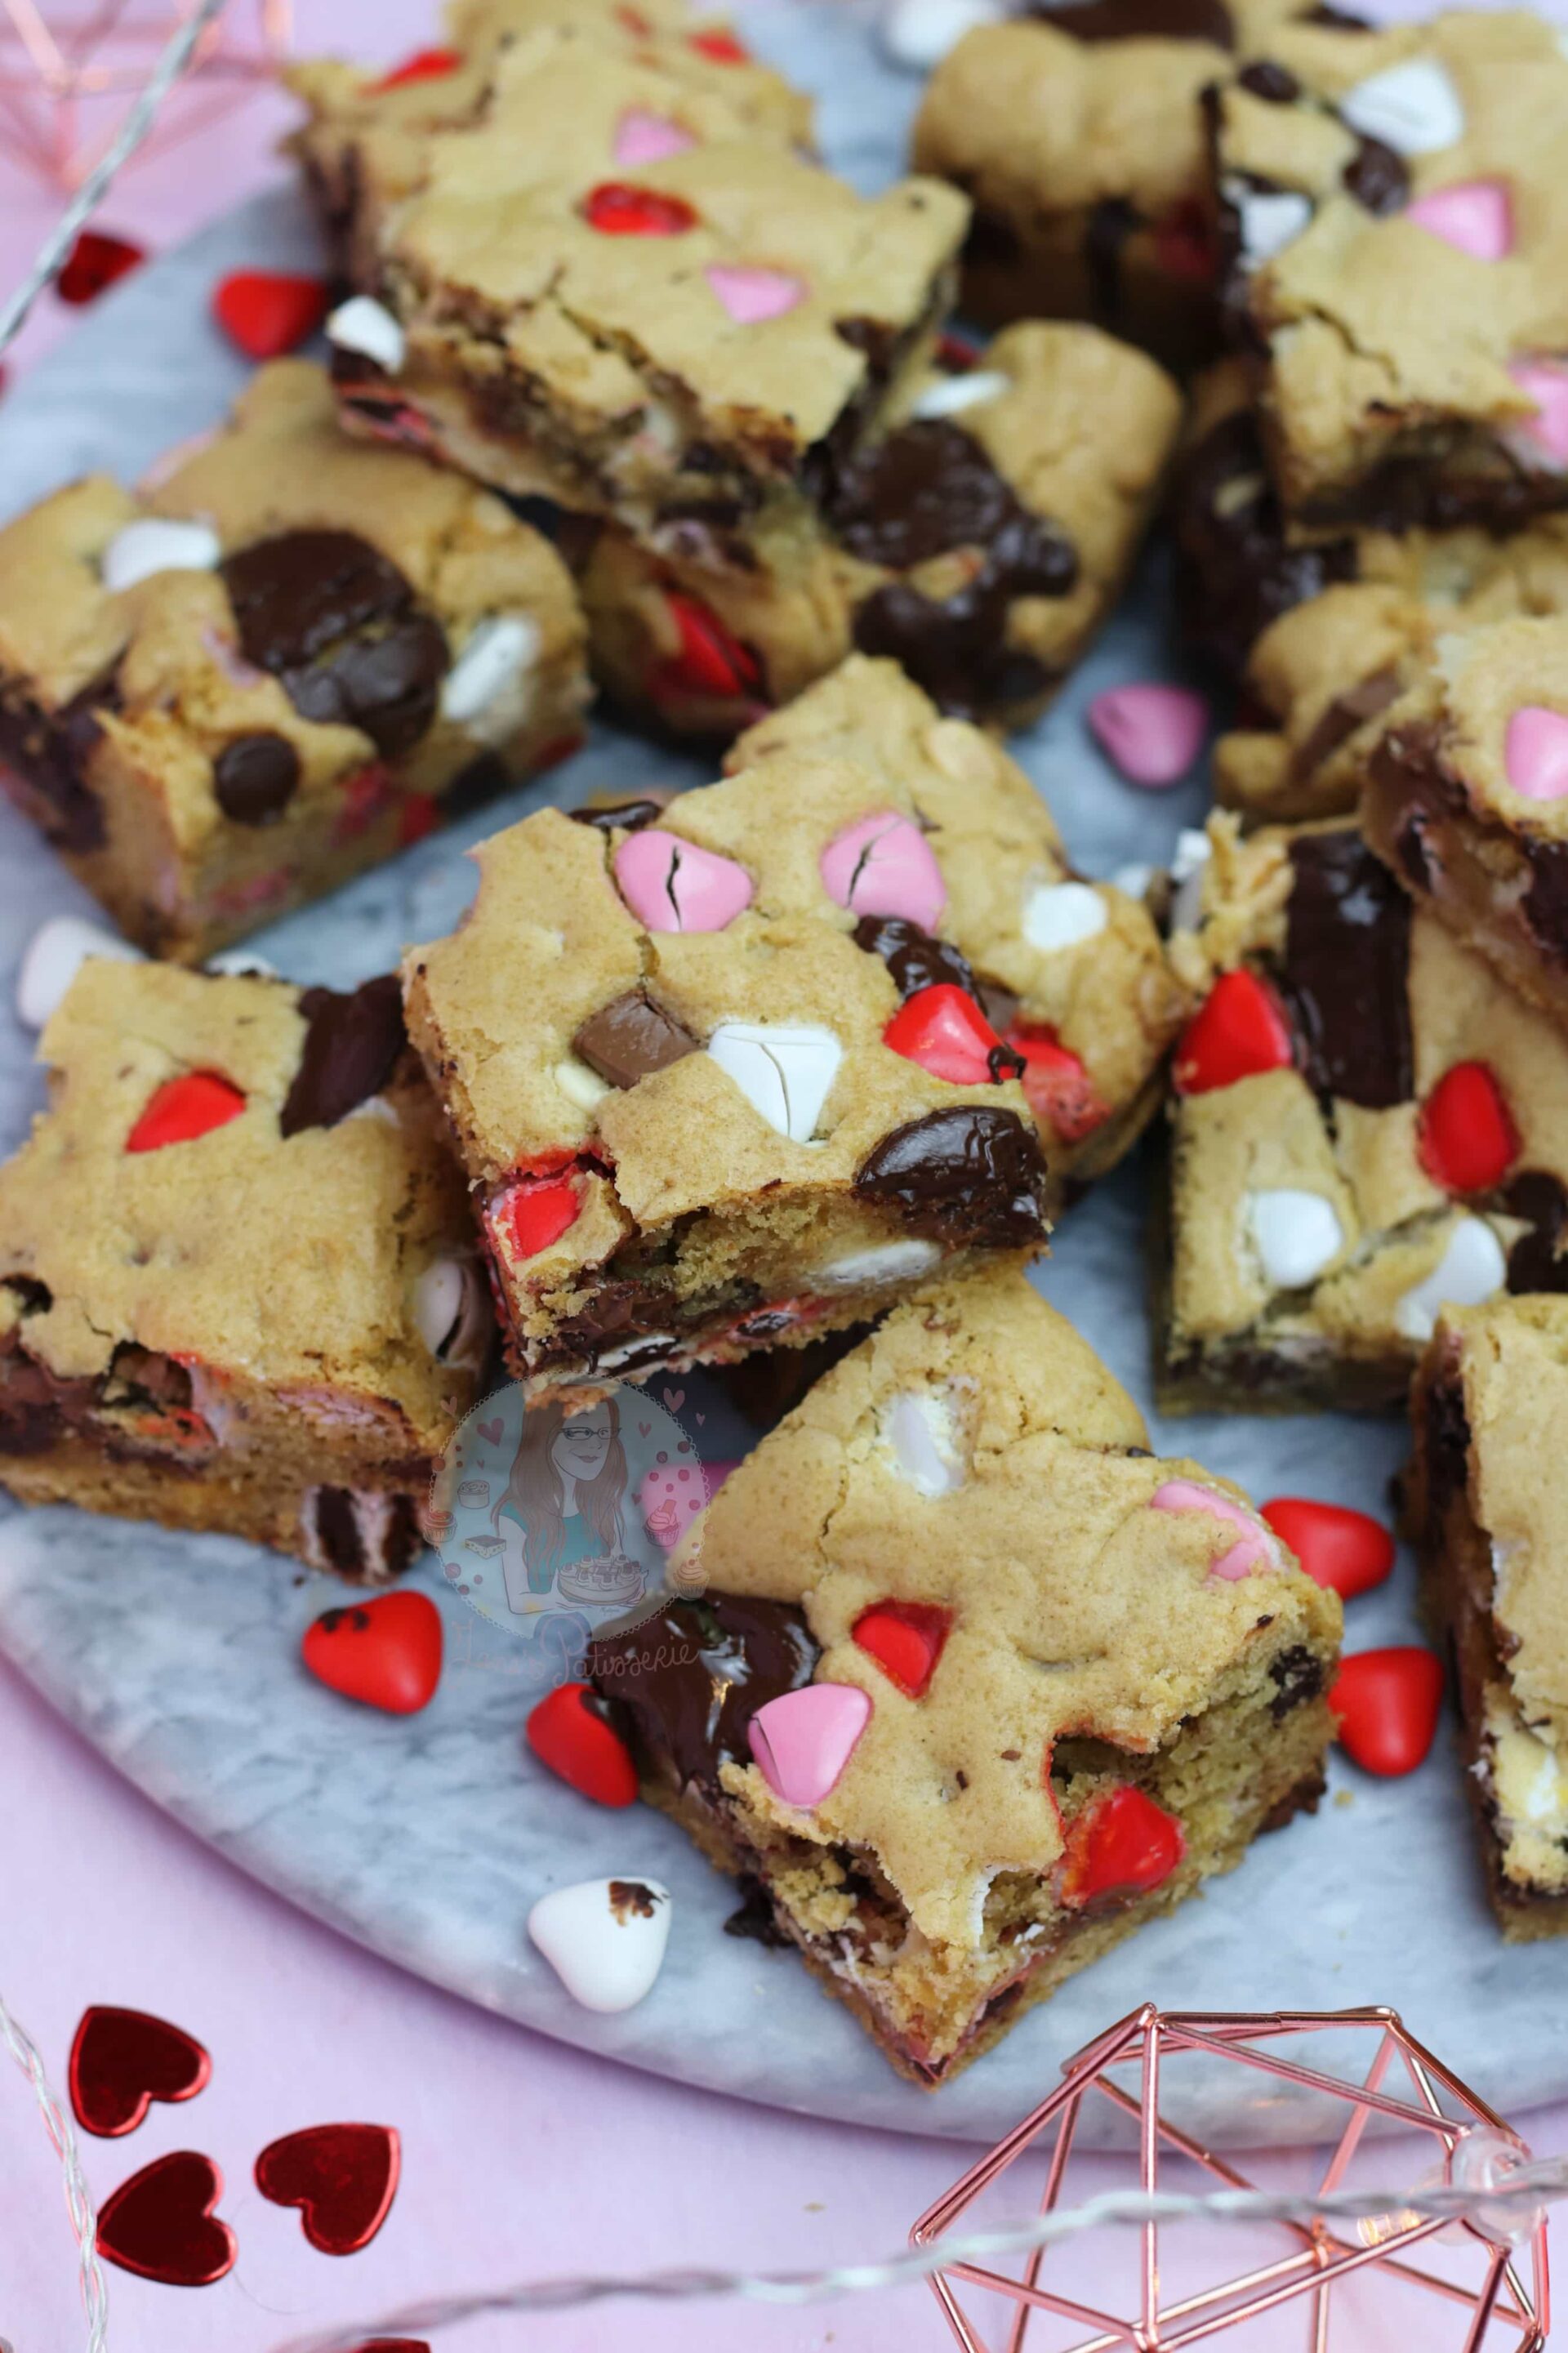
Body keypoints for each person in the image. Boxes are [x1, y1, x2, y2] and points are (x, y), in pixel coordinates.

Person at [491, 1397, 631, 1616]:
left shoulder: (603, 1506)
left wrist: (634, 1591)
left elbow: (621, 1575)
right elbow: (518, 1601)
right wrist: (560, 1600)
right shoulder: (514, 1514)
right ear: (544, 1434)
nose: (596, 1444)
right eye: (579, 1431)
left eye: (605, 1432)